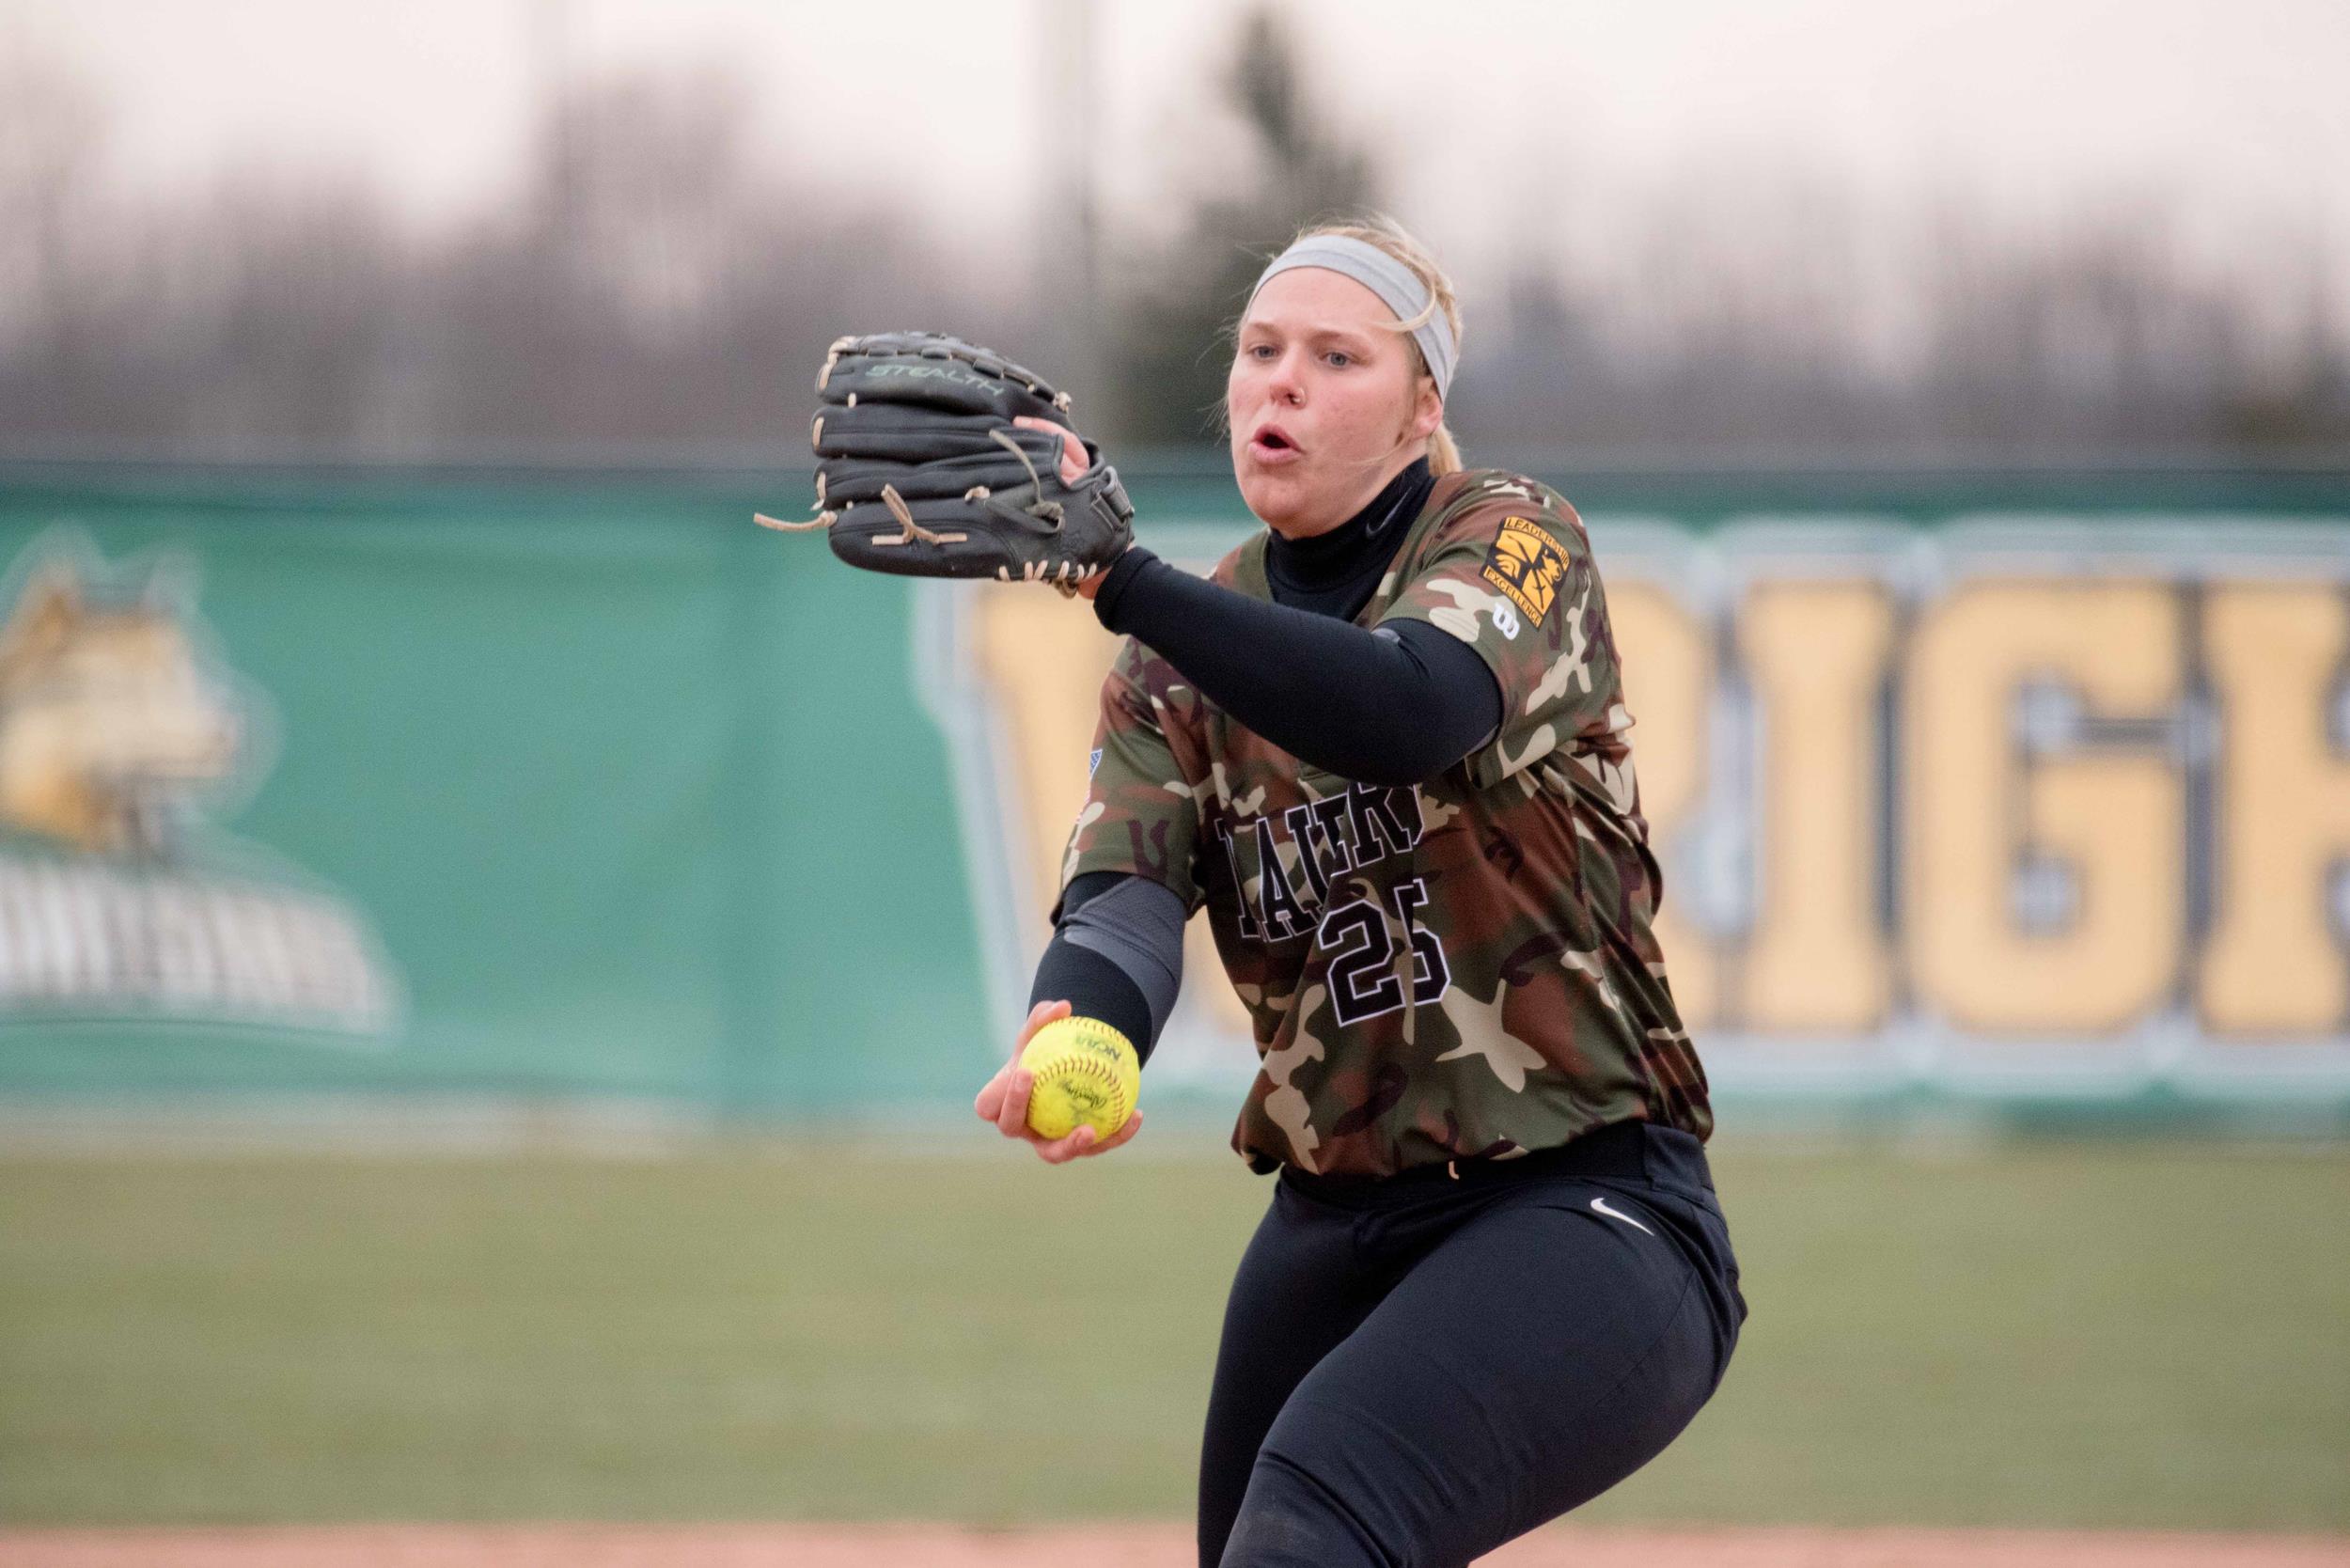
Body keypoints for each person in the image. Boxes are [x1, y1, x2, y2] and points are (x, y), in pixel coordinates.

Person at [972, 217, 1746, 1568]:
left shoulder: (1511, 539)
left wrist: (1122, 581)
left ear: (1421, 407)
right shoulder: (1171, 657)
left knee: (1319, 1522)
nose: (1283, 382)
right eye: (1262, 351)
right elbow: (1126, 897)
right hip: (1334, 1219)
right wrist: (1080, 1025)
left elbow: (1408, 708)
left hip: (1588, 1211)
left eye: (1339, 357)